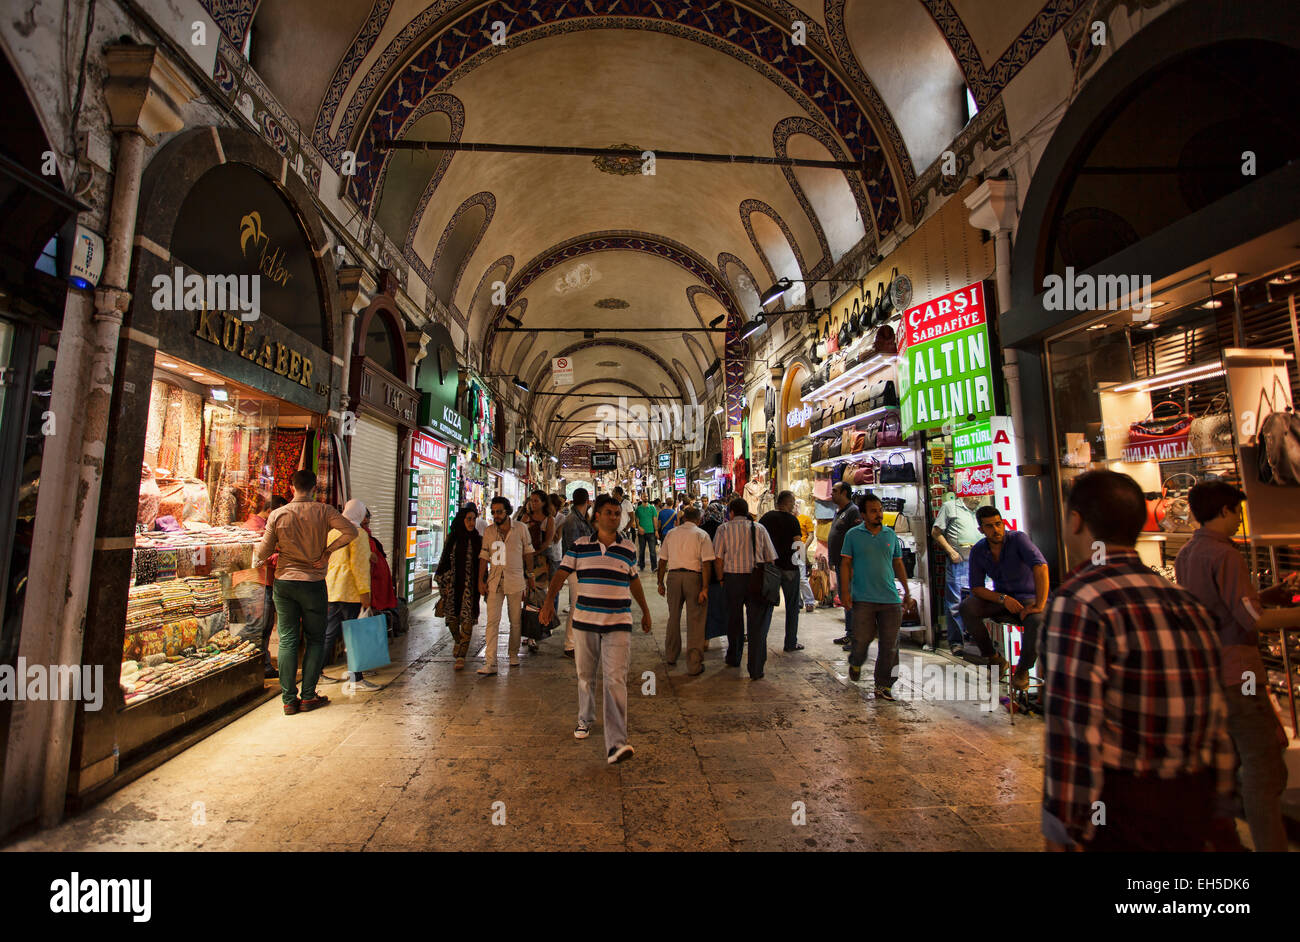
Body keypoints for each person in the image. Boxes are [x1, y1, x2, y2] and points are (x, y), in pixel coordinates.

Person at [1042, 470, 1235, 851]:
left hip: (1124, 805)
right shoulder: (1185, 602)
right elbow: (1217, 721)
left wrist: (1063, 828)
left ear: (1076, 521)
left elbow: (1076, 729)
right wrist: (1219, 809)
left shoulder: (1081, 600)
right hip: (1190, 800)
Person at [1175, 480, 1296, 852]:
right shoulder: (1225, 554)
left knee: (1232, 764)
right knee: (1264, 766)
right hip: (1238, 673)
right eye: (1238, 512)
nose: (1241, 520)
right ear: (1225, 511)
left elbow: (1224, 608)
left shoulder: (1187, 553)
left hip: (1209, 672)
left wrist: (1263, 596)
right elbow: (1252, 622)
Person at [540, 494, 652, 764]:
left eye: (617, 513)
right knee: (585, 675)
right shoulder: (579, 546)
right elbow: (561, 574)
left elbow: (633, 580)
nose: (614, 517)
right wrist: (547, 604)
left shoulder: (627, 548)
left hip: (619, 623)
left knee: (615, 680)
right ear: (597, 516)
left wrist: (646, 611)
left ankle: (616, 743)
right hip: (586, 622)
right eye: (609, 512)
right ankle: (585, 718)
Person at [253, 469, 357, 715]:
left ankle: (289, 700)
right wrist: (328, 551)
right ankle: (309, 695)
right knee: (316, 639)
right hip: (313, 582)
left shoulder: (278, 514)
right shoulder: (325, 511)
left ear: (291, 488)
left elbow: (263, 552)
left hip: (285, 583)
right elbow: (351, 532)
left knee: (288, 639)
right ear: (314, 488)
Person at [958, 506, 1050, 690]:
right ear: (981, 530)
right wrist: (1002, 599)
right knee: (966, 607)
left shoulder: (1018, 539)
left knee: (1038, 619)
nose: (996, 530)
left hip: (1029, 597)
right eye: (989, 526)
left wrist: (1039, 604)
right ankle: (994, 658)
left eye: (998, 524)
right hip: (1003, 599)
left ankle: (1023, 669)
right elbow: (976, 588)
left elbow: (1041, 567)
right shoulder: (979, 550)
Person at [839, 493, 910, 699]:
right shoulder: (853, 535)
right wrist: (845, 592)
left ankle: (884, 685)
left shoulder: (890, 535)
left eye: (880, 510)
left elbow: (897, 563)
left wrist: (906, 590)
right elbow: (845, 564)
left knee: (890, 645)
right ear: (863, 514)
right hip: (863, 598)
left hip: (890, 599)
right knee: (861, 639)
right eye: (873, 511)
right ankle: (856, 661)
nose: (878, 514)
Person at [712, 497, 779, 680]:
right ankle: (756, 668)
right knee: (756, 624)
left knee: (733, 621)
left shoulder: (723, 529)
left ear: (731, 513)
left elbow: (718, 559)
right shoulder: (759, 528)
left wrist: (721, 579)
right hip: (756, 579)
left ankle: (734, 656)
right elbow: (770, 558)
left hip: (732, 579)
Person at [477, 496, 535, 675]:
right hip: (494, 581)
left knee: (515, 621)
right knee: (492, 622)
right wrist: (481, 580)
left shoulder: (520, 529)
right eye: (493, 512)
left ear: (507, 511)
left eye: (499, 511)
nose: (496, 515)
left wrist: (530, 575)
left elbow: (528, 552)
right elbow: (484, 556)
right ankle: (490, 661)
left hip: (516, 580)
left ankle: (513, 654)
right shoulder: (489, 531)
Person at [321, 500, 373, 688]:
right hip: (350, 591)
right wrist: (364, 592)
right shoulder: (357, 534)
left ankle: (316, 672)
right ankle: (356, 678)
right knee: (354, 634)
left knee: (329, 632)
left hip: (332, 588)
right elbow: (358, 566)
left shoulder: (333, 532)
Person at [656, 505, 714, 673]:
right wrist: (704, 588)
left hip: (673, 577)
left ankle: (671, 655)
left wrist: (660, 582)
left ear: (682, 518)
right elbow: (706, 563)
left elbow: (662, 561)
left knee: (673, 617)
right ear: (698, 519)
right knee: (695, 620)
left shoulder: (671, 534)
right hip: (694, 578)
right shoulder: (702, 535)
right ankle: (694, 664)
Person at [240, 494, 286, 677]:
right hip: (253, 581)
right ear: (270, 511)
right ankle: (248, 667)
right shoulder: (254, 528)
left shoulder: (264, 527)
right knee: (255, 626)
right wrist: (280, 556)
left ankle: (263, 665)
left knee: (264, 625)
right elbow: (257, 557)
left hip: (262, 581)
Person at [931, 495, 983, 656]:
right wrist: (951, 551)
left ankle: (979, 640)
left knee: (981, 599)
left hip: (980, 561)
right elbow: (936, 532)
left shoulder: (981, 511)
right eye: (976, 493)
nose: (979, 497)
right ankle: (956, 642)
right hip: (959, 560)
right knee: (955, 602)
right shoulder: (950, 507)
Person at [436, 504, 483, 670]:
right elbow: (443, 564)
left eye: (474, 519)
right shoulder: (453, 539)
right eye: (468, 519)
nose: (471, 523)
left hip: (470, 590)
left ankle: (462, 655)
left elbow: (482, 564)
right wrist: (445, 584)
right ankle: (458, 641)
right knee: (453, 622)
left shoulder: (478, 540)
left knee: (467, 622)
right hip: (453, 588)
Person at [759, 490, 805, 652]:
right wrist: (802, 561)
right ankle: (790, 642)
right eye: (792, 502)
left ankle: (760, 640)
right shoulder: (792, 520)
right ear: (786, 503)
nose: (794, 505)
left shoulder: (766, 518)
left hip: (771, 567)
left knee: (767, 606)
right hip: (790, 568)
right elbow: (797, 543)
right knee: (792, 607)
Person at [559, 488, 594, 659]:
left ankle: (577, 641)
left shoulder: (580, 519)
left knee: (580, 605)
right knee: (576, 607)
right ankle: (570, 644)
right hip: (576, 569)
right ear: (587, 501)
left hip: (582, 568)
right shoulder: (573, 521)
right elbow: (575, 548)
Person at [827, 481, 862, 645]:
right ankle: (850, 633)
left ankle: (855, 636)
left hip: (850, 564)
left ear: (844, 493)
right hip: (841, 563)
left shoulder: (853, 511)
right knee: (845, 597)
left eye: (835, 491)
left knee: (851, 598)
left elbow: (856, 538)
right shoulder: (839, 511)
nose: (831, 493)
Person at [635, 494, 659, 570]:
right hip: (642, 533)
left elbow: (655, 520)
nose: (646, 497)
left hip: (651, 531)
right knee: (641, 550)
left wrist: (656, 530)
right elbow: (636, 520)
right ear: (641, 498)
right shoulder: (638, 509)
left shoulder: (652, 508)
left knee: (652, 551)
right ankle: (641, 565)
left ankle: (654, 567)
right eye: (644, 496)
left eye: (647, 496)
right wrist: (638, 527)